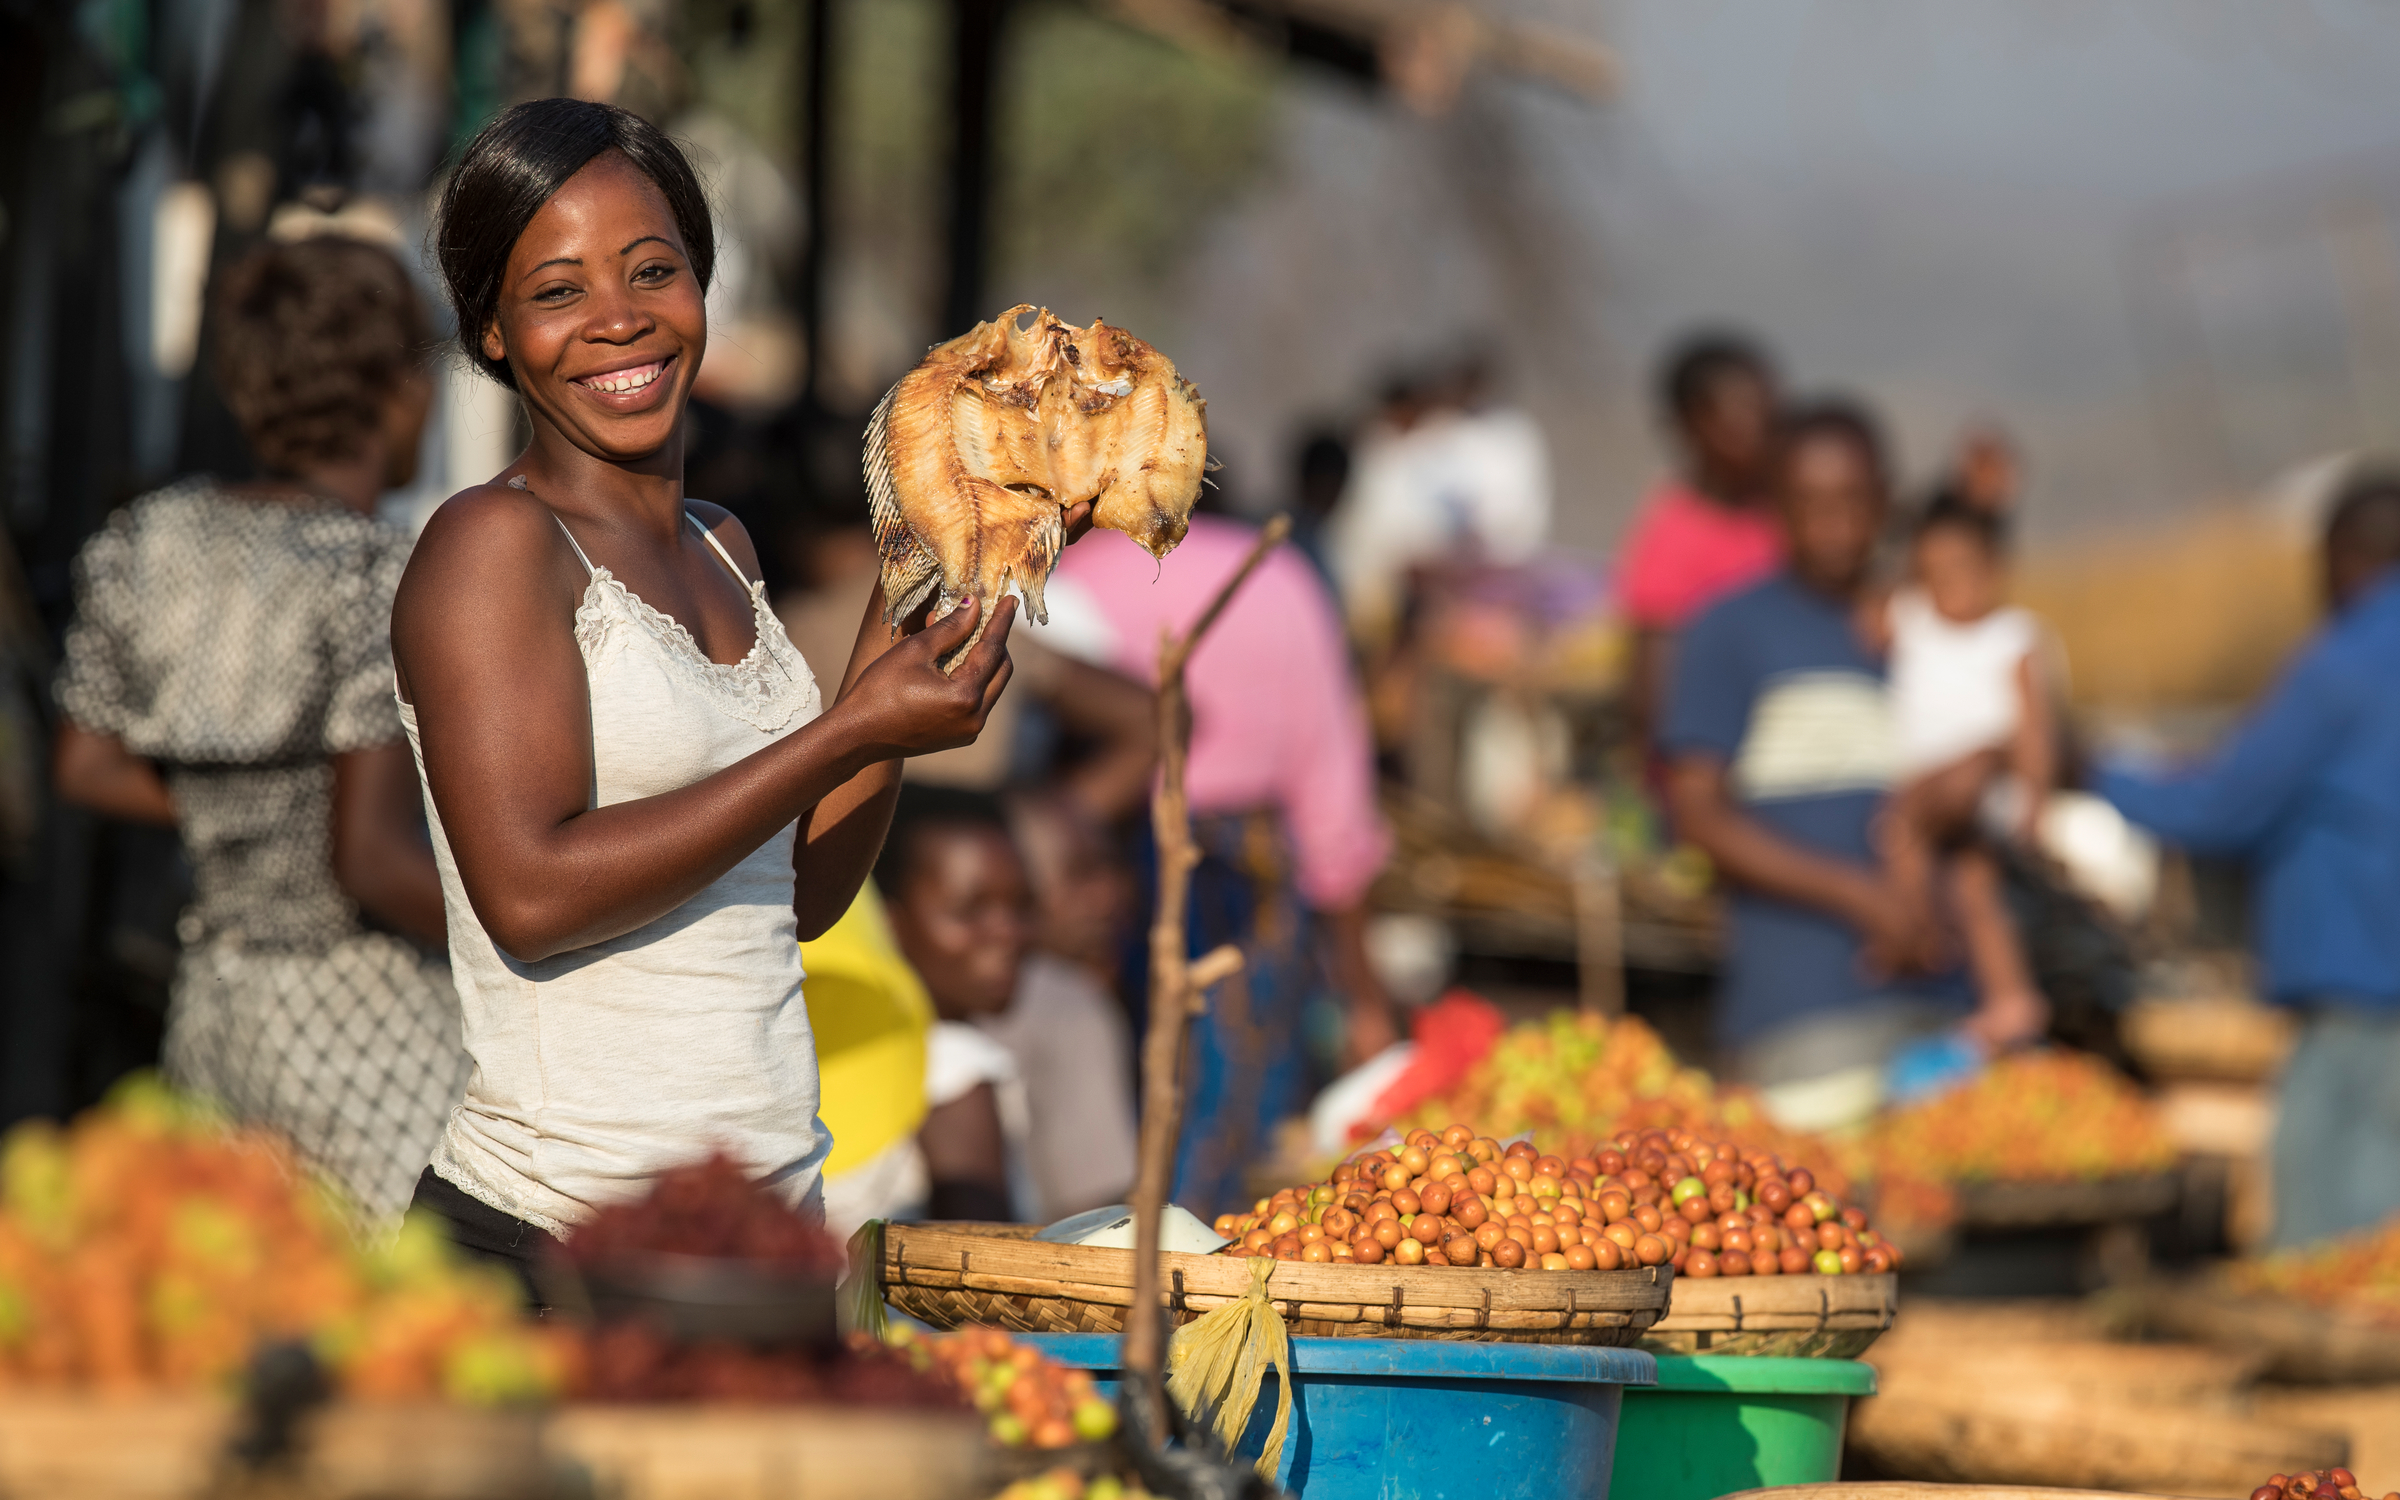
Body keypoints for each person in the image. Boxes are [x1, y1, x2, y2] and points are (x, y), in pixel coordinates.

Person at [389, 100, 1033, 1289]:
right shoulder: (492, 547)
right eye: (557, 291)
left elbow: (799, 895)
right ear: (491, 334)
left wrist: (918, 594)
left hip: (761, 1244)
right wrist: (847, 729)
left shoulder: (723, 545)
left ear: (703, 285)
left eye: (653, 271)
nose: (619, 320)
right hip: (557, 1245)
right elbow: (529, 891)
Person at [51, 235, 466, 1225]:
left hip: (217, 1014)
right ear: (401, 390)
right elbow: (368, 860)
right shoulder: (380, 578)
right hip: (370, 1033)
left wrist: (232, 813)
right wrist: (557, 929)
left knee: (227, 1286)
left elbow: (85, 765)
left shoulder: (143, 544)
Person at [1052, 513, 1395, 1216]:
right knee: (1238, 1109)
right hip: (1243, 871)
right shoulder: (1283, 578)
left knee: (1124, 1087)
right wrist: (1364, 991)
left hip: (1116, 854)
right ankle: (1212, 1273)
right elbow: (1333, 790)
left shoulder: (1076, 576)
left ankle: (1125, 1267)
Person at [1662, 403, 1992, 1128]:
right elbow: (1700, 814)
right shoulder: (1728, 631)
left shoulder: (1924, 623)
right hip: (1803, 1017)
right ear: (1775, 509)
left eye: (1853, 503)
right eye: (1809, 506)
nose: (1835, 528)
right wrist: (1860, 896)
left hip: (1942, 1004)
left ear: (1886, 502)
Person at [2096, 469, 2400, 1248]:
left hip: (2363, 999)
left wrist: (2089, 773)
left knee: (2329, 1245)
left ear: (2344, 557)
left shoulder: (2343, 664)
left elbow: (2222, 807)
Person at [877, 785, 1138, 1223]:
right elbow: (973, 1272)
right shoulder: (953, 1067)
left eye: (1020, 906)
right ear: (890, 920)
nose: (1007, 933)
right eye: (968, 910)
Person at [1880, 496, 2055, 1051]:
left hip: (1975, 783)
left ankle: (1924, 942)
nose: (1952, 586)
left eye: (1965, 570)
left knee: (1906, 837)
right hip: (1925, 778)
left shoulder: (2013, 637)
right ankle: (2003, 993)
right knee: (1961, 883)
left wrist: (2034, 799)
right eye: (1936, 573)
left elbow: (2033, 730)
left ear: (1994, 569)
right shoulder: (1911, 618)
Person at [1618, 333, 1785, 751]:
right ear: (1693, 424)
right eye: (1743, 416)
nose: (1762, 430)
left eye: (1770, 414)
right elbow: (1657, 699)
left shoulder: (1785, 516)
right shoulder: (1672, 539)